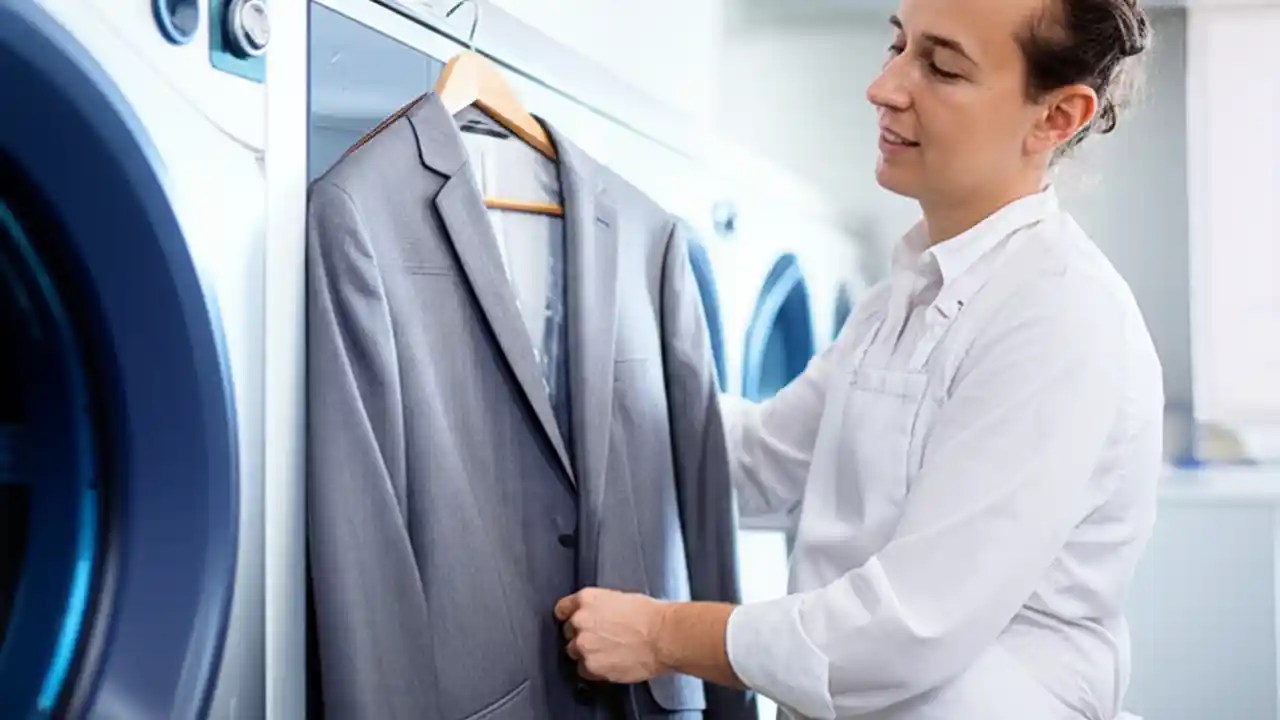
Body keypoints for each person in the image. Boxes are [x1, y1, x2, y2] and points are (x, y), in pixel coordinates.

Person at [554, 0, 1163, 717]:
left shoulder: (1061, 318)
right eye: (898, 45)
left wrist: (661, 634)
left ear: (1057, 116)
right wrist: (577, 389)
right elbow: (757, 459)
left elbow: (907, 625)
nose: (884, 87)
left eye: (940, 65)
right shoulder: (899, 298)